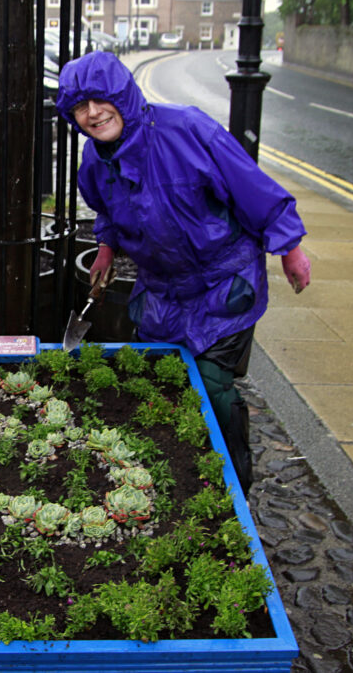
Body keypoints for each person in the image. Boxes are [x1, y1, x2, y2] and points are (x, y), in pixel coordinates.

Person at [56, 51, 311, 493]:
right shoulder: (95, 163)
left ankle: (233, 489)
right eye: (80, 107)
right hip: (163, 290)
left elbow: (252, 188)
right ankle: (169, 473)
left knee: (213, 387)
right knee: (157, 377)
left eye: (100, 99)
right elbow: (108, 212)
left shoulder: (188, 130)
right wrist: (106, 248)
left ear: (123, 94)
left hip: (223, 280)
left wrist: (288, 245)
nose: (92, 113)